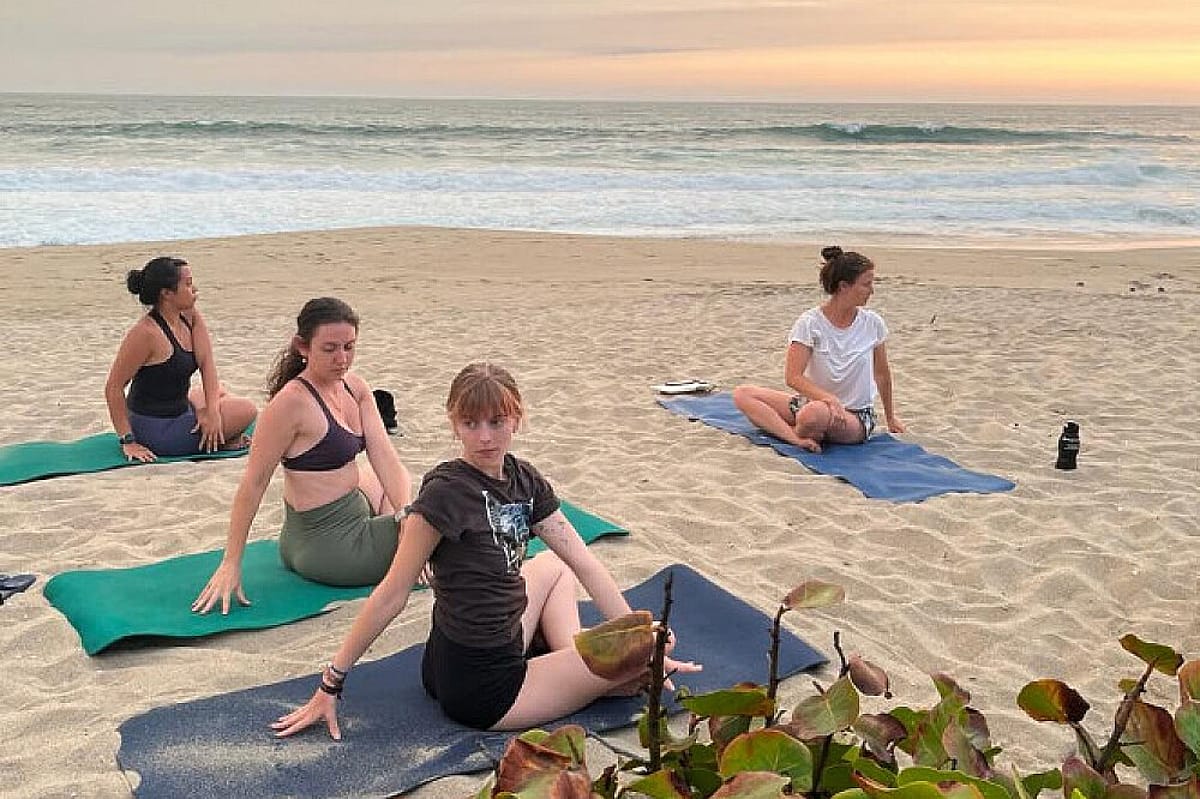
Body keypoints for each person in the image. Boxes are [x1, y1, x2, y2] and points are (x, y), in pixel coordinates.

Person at [272, 362, 702, 736]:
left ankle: (571, 657)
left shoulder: (524, 480)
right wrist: (331, 683)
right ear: (453, 423)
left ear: (516, 418)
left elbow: (582, 561)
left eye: (496, 422)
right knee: (643, 667)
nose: (484, 438)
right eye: (471, 424)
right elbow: (392, 593)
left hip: (486, 643)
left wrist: (633, 632)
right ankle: (578, 664)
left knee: (559, 568)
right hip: (484, 688)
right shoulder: (445, 492)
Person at [192, 297, 413, 614]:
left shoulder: (355, 388)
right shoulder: (290, 404)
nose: (342, 359)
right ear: (303, 347)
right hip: (327, 546)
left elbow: (387, 460)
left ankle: (399, 531)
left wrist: (404, 515)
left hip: (350, 508)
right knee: (436, 520)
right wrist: (231, 562)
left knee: (395, 493)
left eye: (349, 347)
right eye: (330, 349)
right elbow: (253, 484)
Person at [732, 246, 905, 452]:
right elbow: (793, 377)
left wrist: (890, 417)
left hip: (855, 416)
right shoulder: (810, 323)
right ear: (844, 287)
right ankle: (796, 438)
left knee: (812, 415)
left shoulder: (873, 323)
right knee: (743, 394)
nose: (872, 290)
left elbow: (882, 373)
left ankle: (795, 429)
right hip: (814, 404)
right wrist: (828, 399)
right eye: (866, 284)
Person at [105, 256, 257, 462]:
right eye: (187, 284)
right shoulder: (145, 333)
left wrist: (211, 412)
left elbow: (206, 363)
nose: (194, 289)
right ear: (166, 294)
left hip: (181, 408)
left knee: (217, 392)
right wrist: (128, 441)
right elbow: (113, 387)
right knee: (246, 409)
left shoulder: (189, 316)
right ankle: (221, 440)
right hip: (155, 427)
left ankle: (215, 433)